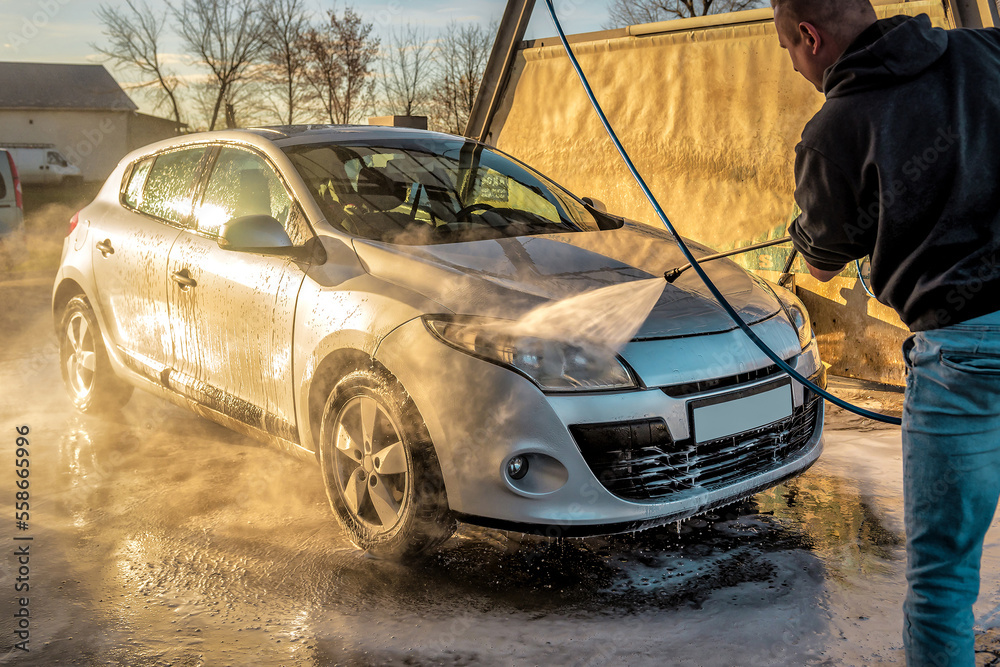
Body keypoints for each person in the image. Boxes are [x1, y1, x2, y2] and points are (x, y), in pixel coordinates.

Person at [770, 0, 1000, 664]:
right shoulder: (984, 52)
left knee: (942, 587)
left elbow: (819, 259)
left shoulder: (830, 131)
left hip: (962, 360)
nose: (791, 61)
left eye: (787, 47)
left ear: (810, 38)